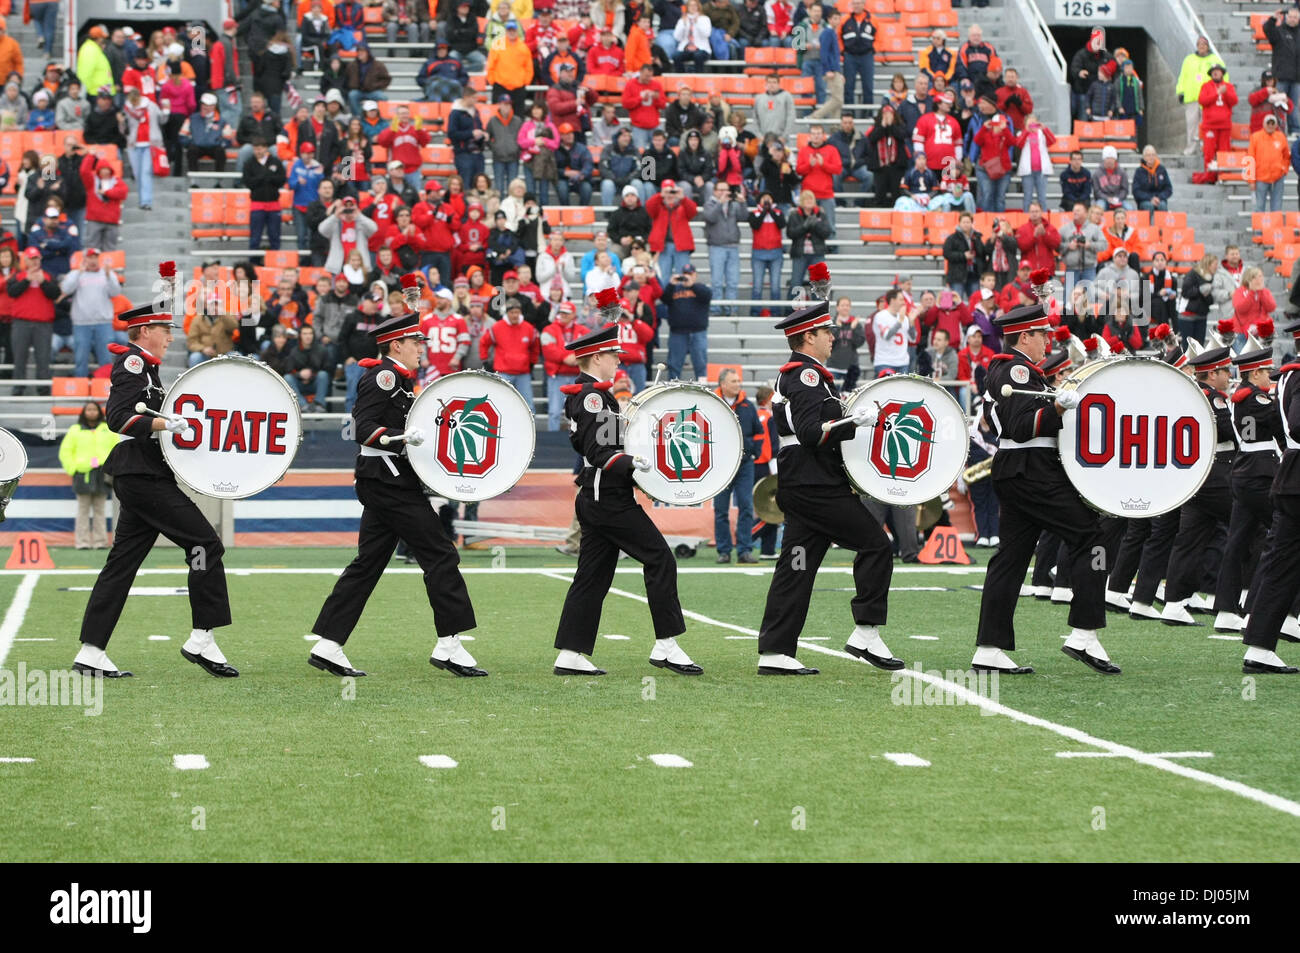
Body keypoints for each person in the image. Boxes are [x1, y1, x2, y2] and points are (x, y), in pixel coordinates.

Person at [309, 308, 485, 678]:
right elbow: (360, 426)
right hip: (388, 481)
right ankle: (449, 645)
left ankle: (328, 643)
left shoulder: (399, 378)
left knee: (368, 564)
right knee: (440, 554)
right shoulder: (385, 376)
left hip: (386, 481)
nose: (421, 348)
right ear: (396, 344)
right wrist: (396, 438)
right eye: (415, 342)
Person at [74, 294, 237, 679]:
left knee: (121, 564)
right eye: (164, 331)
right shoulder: (133, 364)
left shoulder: (148, 368)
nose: (170, 338)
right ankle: (202, 635)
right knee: (205, 545)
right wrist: (167, 424)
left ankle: (91, 651)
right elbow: (117, 419)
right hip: (143, 476)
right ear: (145, 331)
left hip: (142, 476)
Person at [756, 292, 903, 675]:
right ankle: (866, 633)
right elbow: (809, 433)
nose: (833, 337)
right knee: (876, 546)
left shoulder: (802, 376)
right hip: (816, 486)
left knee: (796, 567)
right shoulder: (805, 376)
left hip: (803, 485)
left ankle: (775, 651)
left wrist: (847, 414)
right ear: (808, 336)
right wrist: (856, 421)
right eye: (826, 331)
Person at [971, 303, 1118, 675]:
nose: (1047, 342)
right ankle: (1084, 634)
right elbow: (1021, 426)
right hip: (1031, 472)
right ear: (1025, 336)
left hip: (1019, 472)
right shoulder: (1015, 369)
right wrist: (1056, 408)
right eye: (1043, 335)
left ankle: (989, 648)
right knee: (1092, 538)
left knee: (1011, 559)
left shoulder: (1018, 371)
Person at [551, 323, 701, 676]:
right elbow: (599, 451)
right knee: (660, 559)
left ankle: (570, 653)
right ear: (597, 356)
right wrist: (635, 462)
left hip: (597, 496)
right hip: (608, 500)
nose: (619, 360)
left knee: (592, 576)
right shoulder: (592, 397)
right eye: (614, 355)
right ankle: (666, 645)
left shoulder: (594, 395)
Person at [1160, 347, 1236, 626]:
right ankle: (1233, 604)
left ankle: (1173, 603)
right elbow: (1231, 433)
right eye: (1225, 370)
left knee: (1189, 541)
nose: (1229, 376)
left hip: (1195, 475)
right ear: (1213, 373)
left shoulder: (1189, 394)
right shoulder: (1212, 398)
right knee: (1250, 533)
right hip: (1219, 474)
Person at [1239, 351, 1300, 673]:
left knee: (1281, 565)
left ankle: (1261, 647)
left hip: (1288, 477)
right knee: (1280, 563)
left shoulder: (1289, 375)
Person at [1210, 345, 1279, 632]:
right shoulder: (1259, 400)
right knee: (1281, 539)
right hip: (1260, 474)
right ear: (1255, 373)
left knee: (1237, 543)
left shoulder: (1239, 399)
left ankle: (1227, 609)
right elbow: (1282, 423)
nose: (1270, 379)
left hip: (1242, 473)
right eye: (1267, 373)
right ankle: (1258, 609)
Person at [713, 368, 763, 564]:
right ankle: (724, 551)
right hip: (720, 466)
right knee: (721, 510)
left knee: (746, 506)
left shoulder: (748, 406)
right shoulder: (713, 404)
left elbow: (759, 432)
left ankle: (744, 551)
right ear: (723, 384)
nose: (738, 384)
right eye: (733, 381)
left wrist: (753, 452)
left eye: (738, 381)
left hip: (744, 465)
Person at [59, 400, 117, 551]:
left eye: (94, 409)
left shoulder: (107, 429)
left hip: (102, 474)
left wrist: (111, 469)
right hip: (82, 474)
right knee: (83, 509)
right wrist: (74, 469)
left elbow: (116, 449)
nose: (91, 412)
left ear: (99, 411)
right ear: (84, 413)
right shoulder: (75, 430)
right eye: (88, 410)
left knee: (100, 509)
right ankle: (82, 542)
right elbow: (65, 452)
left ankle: (100, 542)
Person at [59, 247, 120, 379]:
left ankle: (105, 388)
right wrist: (78, 273)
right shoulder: (75, 273)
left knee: (106, 358)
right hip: (81, 324)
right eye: (90, 257)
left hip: (103, 323)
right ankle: (80, 387)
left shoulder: (107, 273)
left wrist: (110, 277)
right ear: (84, 259)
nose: (92, 260)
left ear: (99, 259)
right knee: (81, 358)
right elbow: (66, 289)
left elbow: (115, 292)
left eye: (95, 257)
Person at [663, 264, 710, 381]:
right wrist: (671, 284)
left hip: (698, 332)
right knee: (674, 365)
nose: (687, 277)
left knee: (700, 365)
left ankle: (703, 389)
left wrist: (692, 285)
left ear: (695, 275)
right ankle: (673, 391)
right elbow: (664, 299)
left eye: (690, 274)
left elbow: (707, 295)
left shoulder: (700, 288)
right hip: (678, 333)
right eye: (685, 274)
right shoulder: (674, 289)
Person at [1195, 63, 1237, 184]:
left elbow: (1234, 101)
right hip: (1209, 125)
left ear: (1222, 73)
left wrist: (1225, 93)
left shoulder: (1228, 86)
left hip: (1224, 125)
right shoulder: (1206, 86)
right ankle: (1209, 175)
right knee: (1209, 151)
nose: (1215, 73)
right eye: (1213, 71)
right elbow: (1202, 101)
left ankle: (1223, 175)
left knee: (1224, 151)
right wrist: (1217, 93)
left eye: (1217, 71)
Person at [1264, 8, 1300, 135]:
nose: (1293, 19)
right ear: (1286, 17)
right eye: (1290, 16)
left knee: (1294, 106)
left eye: (1295, 17)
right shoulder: (1279, 31)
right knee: (1279, 104)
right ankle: (1279, 129)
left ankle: (1295, 130)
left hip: (1297, 78)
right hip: (1282, 76)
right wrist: (1273, 19)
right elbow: (1267, 30)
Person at [748, 191, 785, 315]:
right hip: (759, 253)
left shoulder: (778, 213)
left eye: (769, 199)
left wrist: (771, 211)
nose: (767, 201)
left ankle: (776, 312)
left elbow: (781, 224)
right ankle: (754, 311)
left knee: (775, 285)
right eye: (764, 199)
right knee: (757, 285)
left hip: (776, 253)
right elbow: (755, 225)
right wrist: (764, 211)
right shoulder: (754, 214)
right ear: (760, 201)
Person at [1249, 113, 1290, 212]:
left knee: (1277, 206)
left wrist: (1284, 170)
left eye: (1273, 123)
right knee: (1259, 206)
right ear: (1264, 124)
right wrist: (1251, 180)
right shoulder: (1255, 137)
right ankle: (1259, 228)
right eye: (1268, 123)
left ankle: (1275, 227)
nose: (1270, 126)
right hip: (1261, 177)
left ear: (1276, 125)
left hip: (1277, 177)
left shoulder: (1281, 137)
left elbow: (1286, 156)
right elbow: (1250, 159)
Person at [1015, 202, 1060, 275]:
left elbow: (1056, 244)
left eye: (1037, 211)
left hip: (1046, 271)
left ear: (1041, 212)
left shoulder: (1050, 228)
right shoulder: (1022, 229)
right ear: (1029, 213)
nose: (1034, 214)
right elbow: (1022, 247)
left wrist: (1045, 235)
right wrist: (1034, 236)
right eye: (1032, 212)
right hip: (1029, 272)